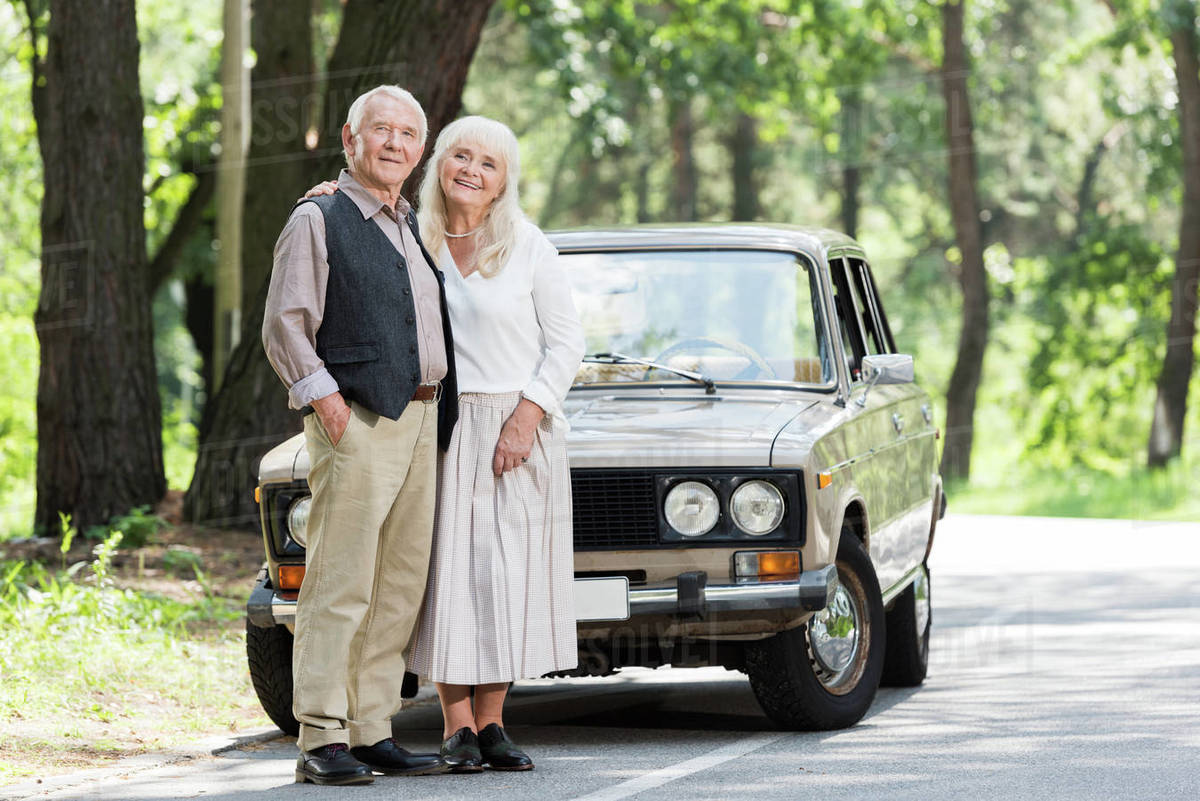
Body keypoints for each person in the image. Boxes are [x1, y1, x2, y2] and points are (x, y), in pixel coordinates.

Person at [304, 114, 585, 772]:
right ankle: (455, 724)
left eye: (488, 164)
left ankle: (492, 722)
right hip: (436, 423)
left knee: (504, 576)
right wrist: (328, 198)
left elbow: (567, 343)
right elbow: (353, 234)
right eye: (461, 155)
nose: (471, 170)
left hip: (516, 425)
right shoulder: (410, 234)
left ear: (503, 183)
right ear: (439, 163)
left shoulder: (529, 246)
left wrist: (528, 416)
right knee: (443, 577)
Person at [263, 85, 458, 786]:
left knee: (397, 586)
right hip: (359, 422)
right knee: (339, 582)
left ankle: (372, 725)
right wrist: (329, 406)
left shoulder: (410, 224)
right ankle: (321, 733)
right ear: (352, 141)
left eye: (409, 134)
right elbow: (287, 322)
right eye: (382, 130)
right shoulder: (319, 217)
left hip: (421, 418)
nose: (396, 143)